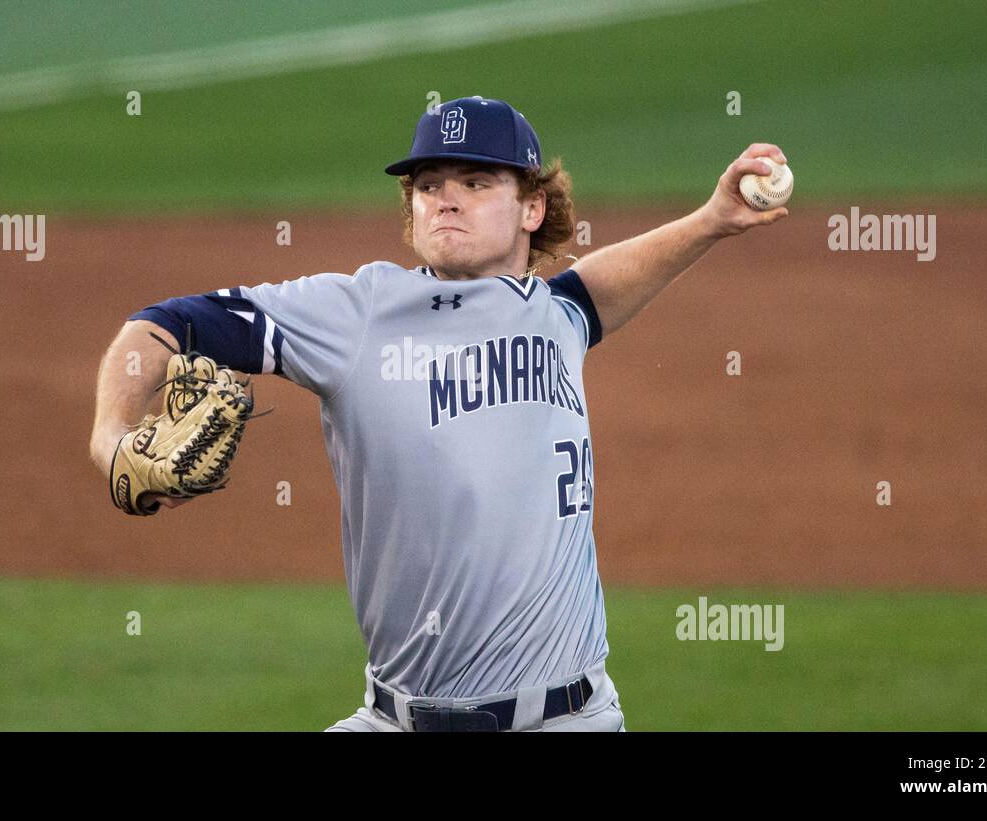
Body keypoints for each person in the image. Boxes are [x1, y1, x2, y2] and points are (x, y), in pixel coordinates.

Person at [89, 96, 787, 731]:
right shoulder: (355, 313)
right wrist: (112, 437)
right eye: (428, 186)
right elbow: (162, 325)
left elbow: (604, 280)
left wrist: (712, 221)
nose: (445, 200)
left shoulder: (558, 315)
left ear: (531, 208)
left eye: (476, 183)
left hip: (565, 719)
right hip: (394, 719)